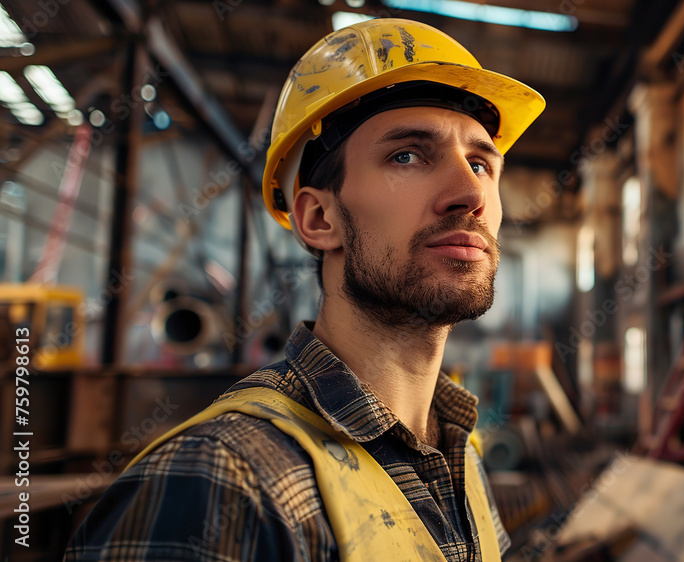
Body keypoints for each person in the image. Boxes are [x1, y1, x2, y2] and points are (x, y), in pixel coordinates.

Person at [64, 18, 545, 561]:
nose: (469, 194)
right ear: (319, 217)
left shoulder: (461, 455)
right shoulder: (220, 480)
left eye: (481, 163)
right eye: (407, 155)